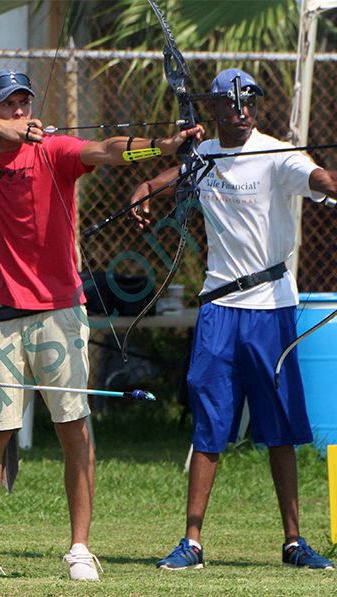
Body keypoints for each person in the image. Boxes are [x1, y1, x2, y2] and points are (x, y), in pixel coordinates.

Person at [0, 70, 203, 581]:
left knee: (74, 429)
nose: (19, 111)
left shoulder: (55, 150)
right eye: (8, 104)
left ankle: (79, 548)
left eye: (24, 103)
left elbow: (108, 150)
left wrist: (162, 146)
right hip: (4, 315)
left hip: (59, 312)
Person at [128, 68, 337, 571]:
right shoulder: (204, 156)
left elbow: (318, 180)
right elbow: (171, 175)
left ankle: (293, 542)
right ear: (215, 109)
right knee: (209, 427)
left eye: (249, 103)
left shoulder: (277, 154)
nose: (242, 112)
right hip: (219, 310)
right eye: (232, 104)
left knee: (280, 428)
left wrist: (330, 181)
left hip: (271, 311)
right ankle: (192, 544)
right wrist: (145, 186)